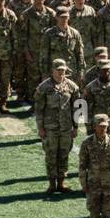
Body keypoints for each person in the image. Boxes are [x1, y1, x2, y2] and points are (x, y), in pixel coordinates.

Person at [35, 59, 82, 194]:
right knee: (50, 155)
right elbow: (39, 109)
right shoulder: (44, 87)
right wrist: (40, 128)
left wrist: (76, 127)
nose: (61, 72)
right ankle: (51, 183)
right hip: (50, 128)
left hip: (66, 128)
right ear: (53, 70)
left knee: (63, 155)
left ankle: (61, 182)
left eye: (63, 70)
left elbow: (78, 108)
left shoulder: (72, 87)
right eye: (58, 70)